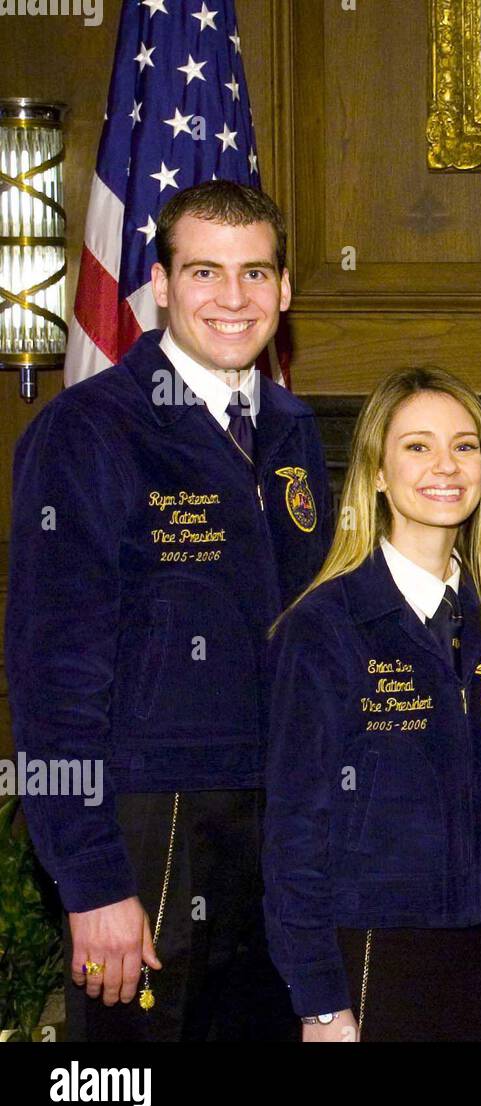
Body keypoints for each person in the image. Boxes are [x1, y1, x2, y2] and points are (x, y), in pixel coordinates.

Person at [6, 180, 332, 1040]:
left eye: (256, 272)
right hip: (151, 828)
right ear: (159, 284)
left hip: (278, 836)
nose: (234, 299)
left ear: (286, 288)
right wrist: (91, 878)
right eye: (205, 272)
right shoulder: (91, 430)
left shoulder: (294, 431)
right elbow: (52, 678)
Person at [261, 367, 481, 1042]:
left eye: (465, 445)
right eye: (417, 446)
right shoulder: (325, 625)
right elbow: (293, 830)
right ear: (378, 473)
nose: (445, 465)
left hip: (472, 954)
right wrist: (321, 1001)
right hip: (365, 954)